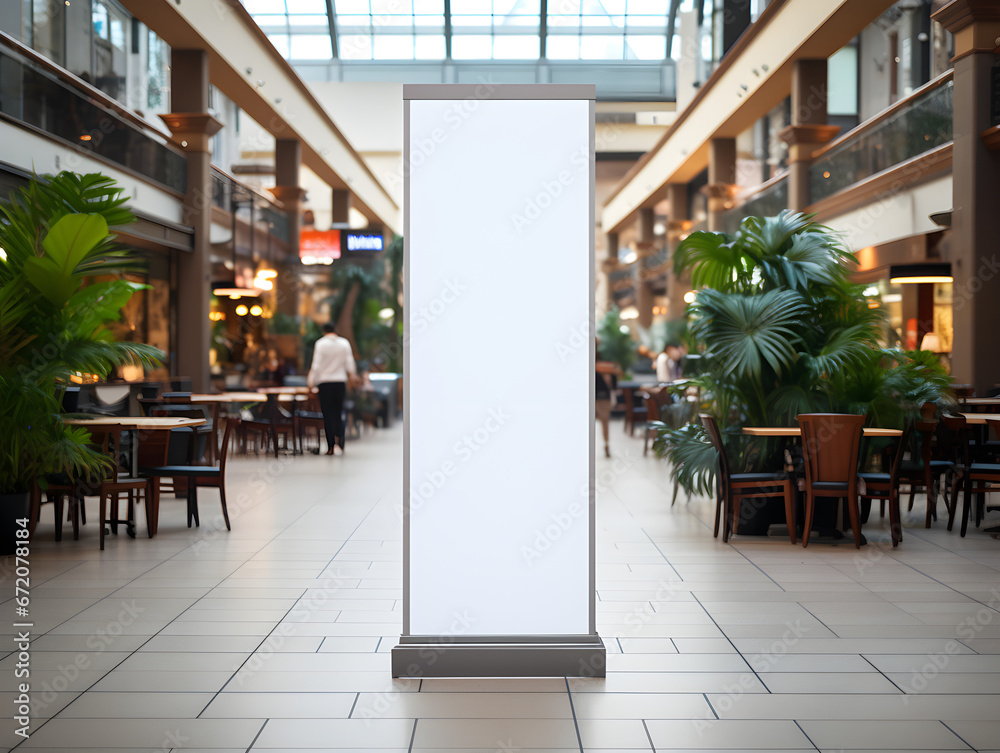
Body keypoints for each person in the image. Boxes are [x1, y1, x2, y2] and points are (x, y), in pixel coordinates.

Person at [307, 322, 358, 455]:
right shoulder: (344, 343)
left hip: (325, 383)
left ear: (324, 331)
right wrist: (352, 374)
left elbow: (316, 364)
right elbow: (349, 362)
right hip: (340, 381)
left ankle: (330, 446)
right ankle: (340, 443)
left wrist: (311, 381)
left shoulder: (320, 343)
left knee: (327, 414)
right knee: (338, 412)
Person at [596, 345, 622, 458]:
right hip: (600, 396)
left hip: (602, 397)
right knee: (604, 422)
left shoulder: (603, 366)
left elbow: (616, 372)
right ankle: (606, 444)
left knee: (604, 422)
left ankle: (606, 444)